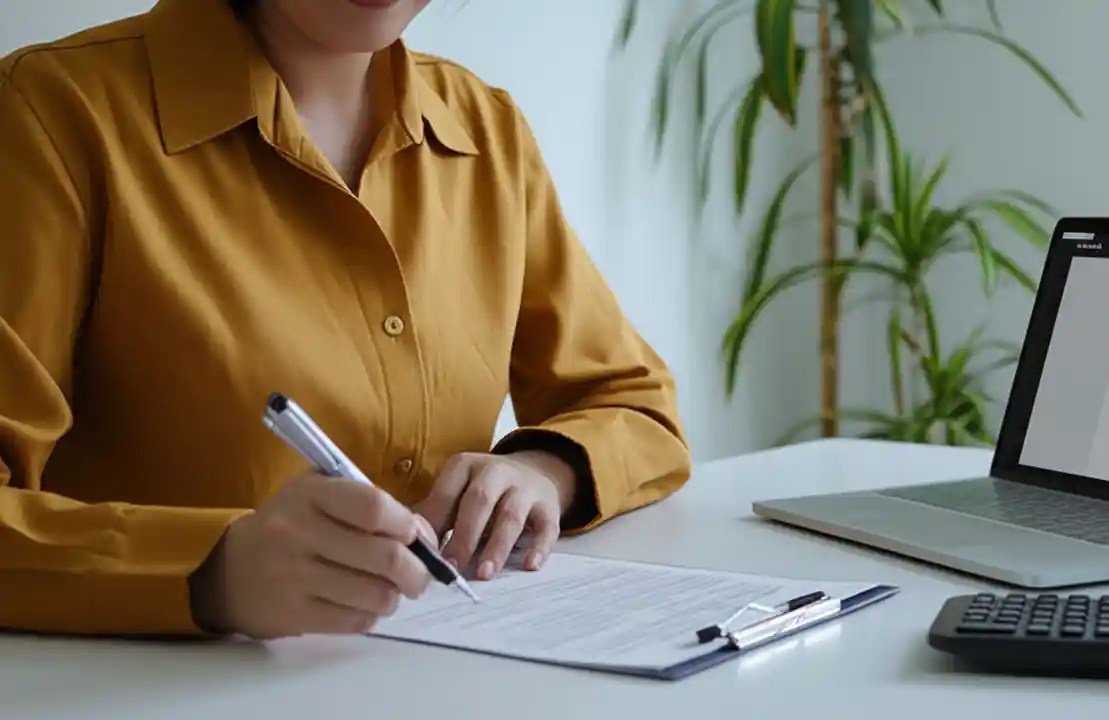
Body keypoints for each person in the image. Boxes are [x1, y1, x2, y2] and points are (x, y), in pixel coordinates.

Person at [0, 0, 690, 640]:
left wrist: (545, 471)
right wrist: (210, 569)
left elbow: (634, 406)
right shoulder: (52, 116)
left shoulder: (485, 128)